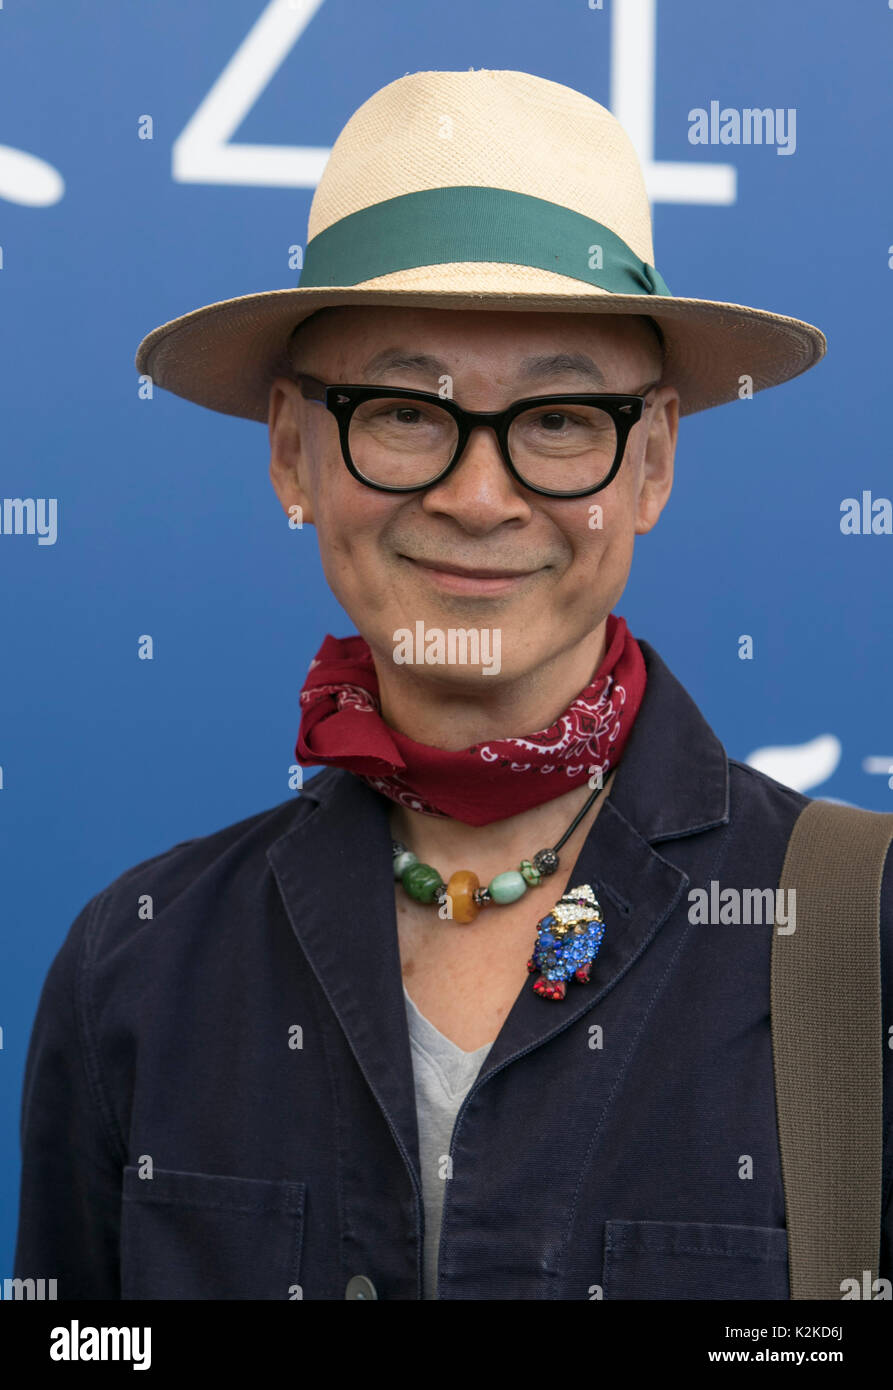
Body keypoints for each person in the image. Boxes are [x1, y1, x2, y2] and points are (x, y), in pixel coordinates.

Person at [14, 68, 891, 1302]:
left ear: (649, 464)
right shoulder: (135, 968)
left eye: (558, 418)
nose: (478, 497)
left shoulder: (864, 937)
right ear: (291, 451)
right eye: (403, 413)